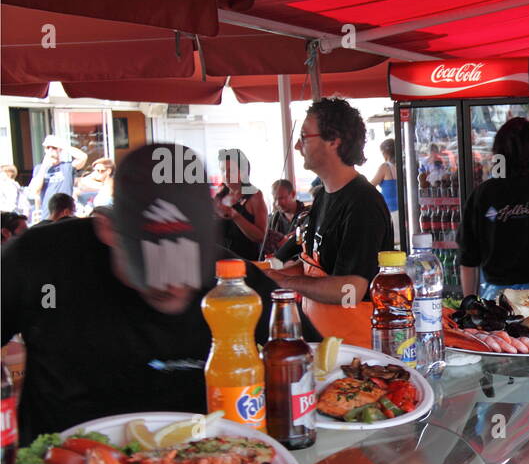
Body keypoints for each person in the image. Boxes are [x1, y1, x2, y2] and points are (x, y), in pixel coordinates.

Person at [1, 144, 313, 443]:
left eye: (187, 260)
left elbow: (313, 366)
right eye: (154, 261)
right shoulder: (40, 260)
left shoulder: (236, 285)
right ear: (108, 229)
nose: (174, 282)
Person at [269, 97, 395, 347]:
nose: (296, 145)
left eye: (304, 136)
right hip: (325, 345)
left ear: (333, 141)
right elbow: (312, 268)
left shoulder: (363, 203)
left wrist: (285, 281)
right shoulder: (322, 198)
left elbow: (350, 291)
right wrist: (266, 275)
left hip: (359, 352)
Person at [457, 117, 529, 310]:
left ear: (497, 151)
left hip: (496, 298)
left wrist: (470, 306)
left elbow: (468, 258)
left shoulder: (483, 194)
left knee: (501, 342)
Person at [212, 148, 269, 261]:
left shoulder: (254, 196)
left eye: (231, 170)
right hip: (222, 262)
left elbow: (261, 236)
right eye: (223, 170)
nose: (226, 175)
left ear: (243, 171)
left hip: (248, 263)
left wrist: (235, 216)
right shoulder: (220, 195)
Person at [25, 136, 87, 223]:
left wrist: (63, 146)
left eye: (54, 148)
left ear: (59, 149)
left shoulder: (67, 166)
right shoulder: (39, 168)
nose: (50, 150)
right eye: (48, 148)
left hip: (66, 214)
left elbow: (83, 157)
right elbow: (35, 190)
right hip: (48, 214)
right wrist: (44, 166)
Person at [264, 178, 309, 255]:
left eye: (281, 198)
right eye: (275, 199)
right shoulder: (273, 219)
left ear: (293, 194)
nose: (278, 203)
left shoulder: (307, 214)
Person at [371, 138, 400, 213]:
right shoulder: (401, 165)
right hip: (403, 208)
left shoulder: (385, 167)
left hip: (390, 210)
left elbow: (370, 186)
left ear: (385, 153)